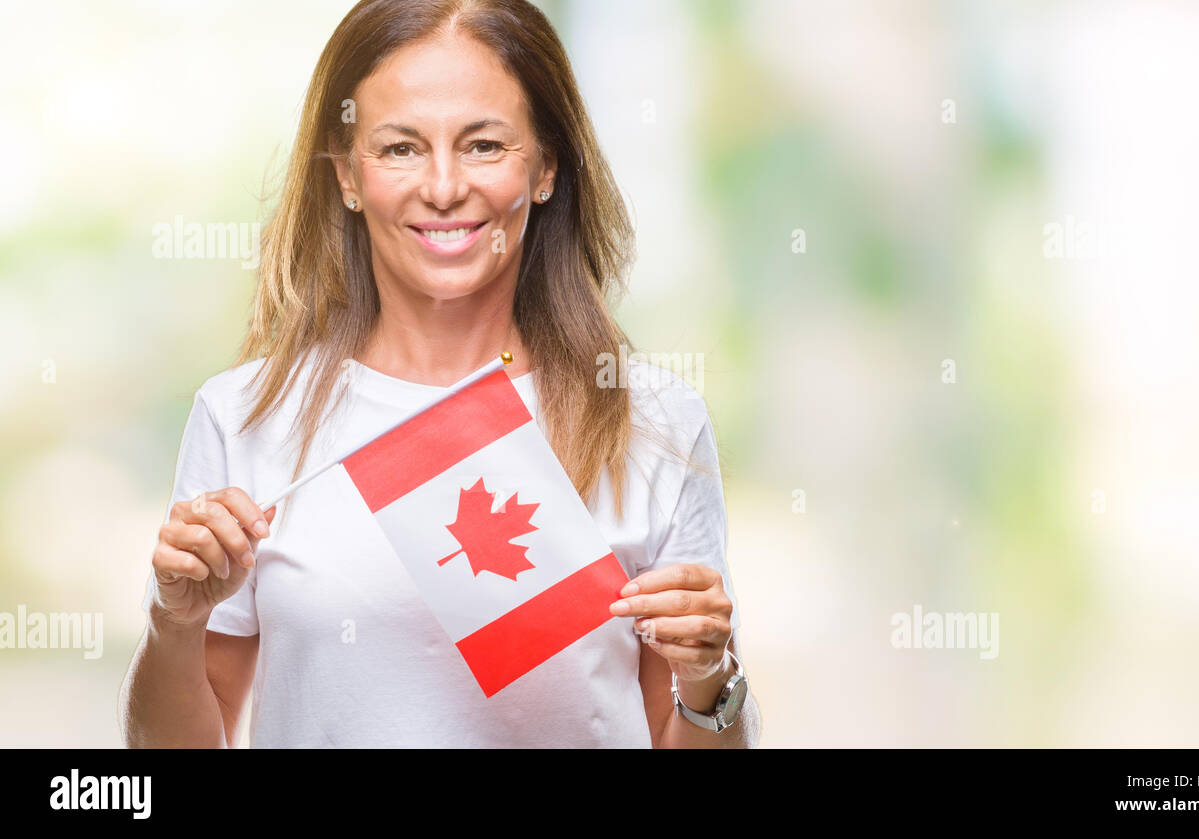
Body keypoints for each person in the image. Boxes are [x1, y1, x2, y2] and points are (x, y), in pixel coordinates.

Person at [119, 0, 757, 748]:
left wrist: (708, 676)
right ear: (347, 174)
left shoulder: (651, 420)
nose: (445, 186)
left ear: (546, 165)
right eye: (400, 149)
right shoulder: (248, 416)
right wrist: (175, 621)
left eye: (485, 144)